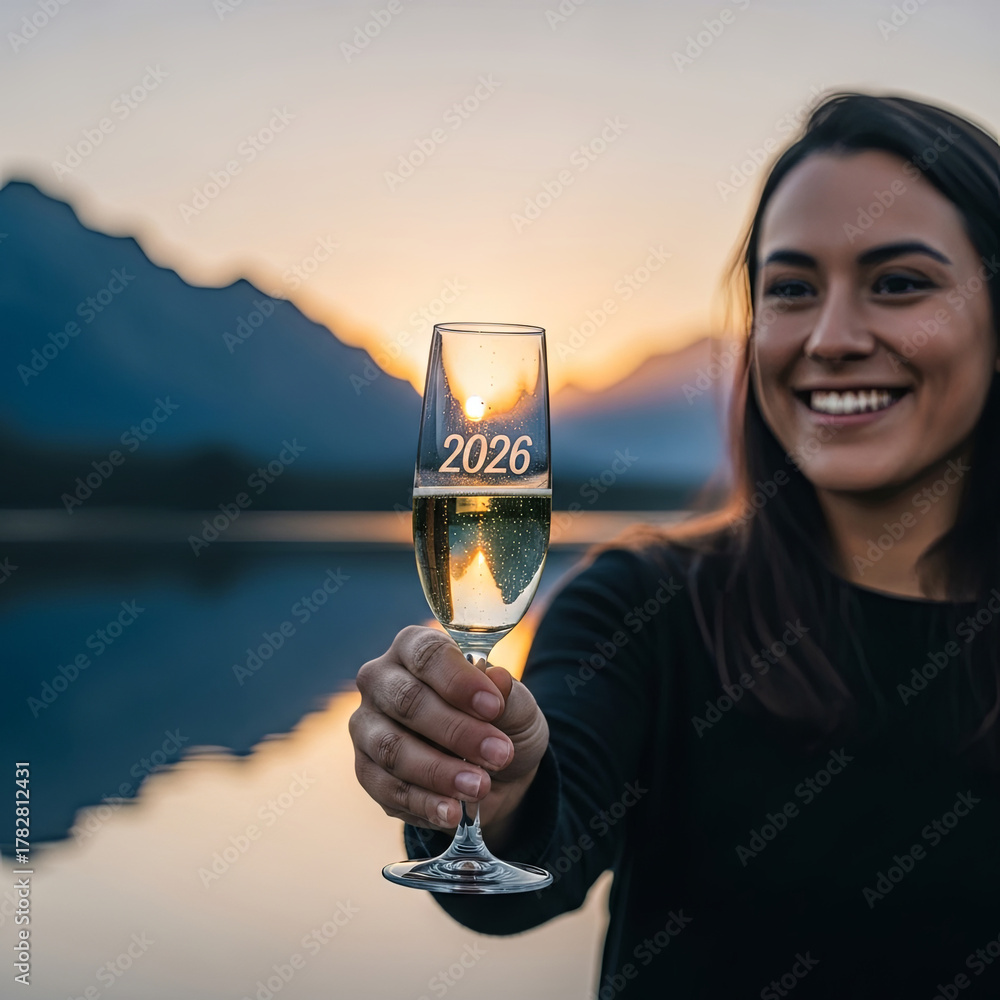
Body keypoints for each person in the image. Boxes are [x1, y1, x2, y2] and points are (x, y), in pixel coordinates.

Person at [350, 91, 1000, 997]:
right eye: (791, 289)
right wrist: (496, 789)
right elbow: (538, 856)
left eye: (899, 283)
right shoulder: (647, 605)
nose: (833, 337)